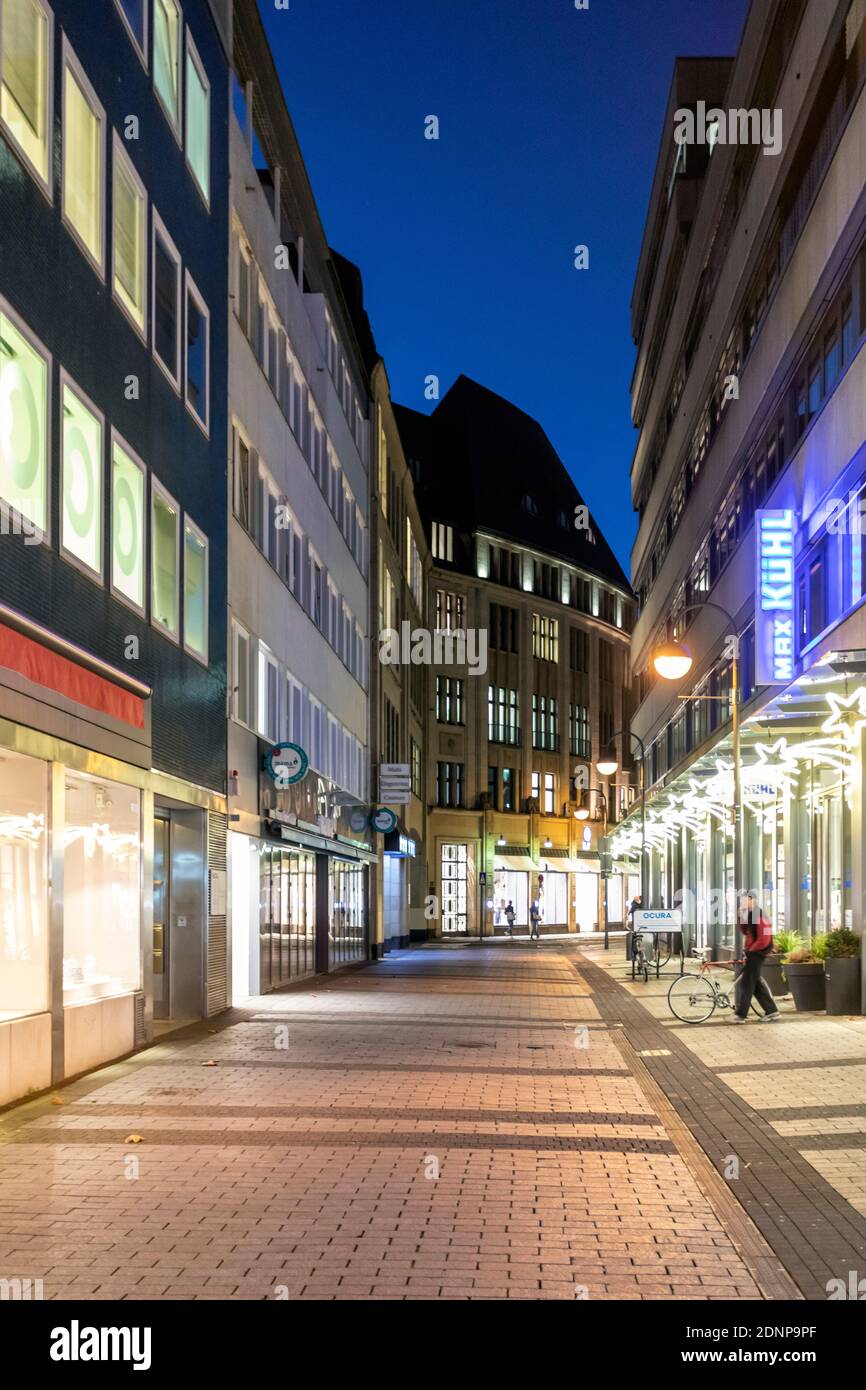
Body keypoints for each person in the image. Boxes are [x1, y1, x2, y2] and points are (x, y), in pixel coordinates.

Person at [733, 893, 780, 1023]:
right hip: (754, 952)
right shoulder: (750, 915)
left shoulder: (759, 915)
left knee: (747, 983)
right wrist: (740, 916)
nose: (742, 903)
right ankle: (772, 1011)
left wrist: (752, 950)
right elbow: (745, 931)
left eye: (745, 900)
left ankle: (741, 1015)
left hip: (757, 953)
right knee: (755, 983)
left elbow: (764, 938)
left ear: (752, 900)